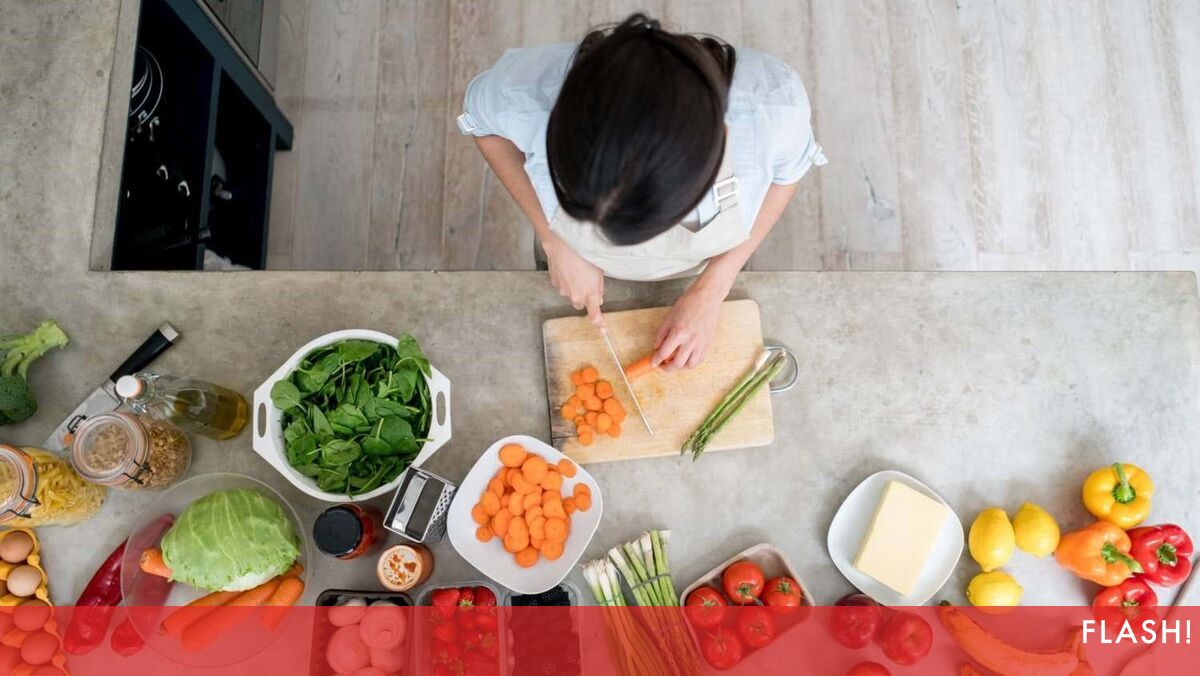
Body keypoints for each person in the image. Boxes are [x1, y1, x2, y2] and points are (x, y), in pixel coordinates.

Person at [458, 13, 825, 369]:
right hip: (568, 262)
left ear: (720, 140)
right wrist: (555, 241)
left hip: (705, 267)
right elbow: (483, 126)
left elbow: (787, 175)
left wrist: (713, 288)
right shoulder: (524, 92)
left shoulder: (773, 108)